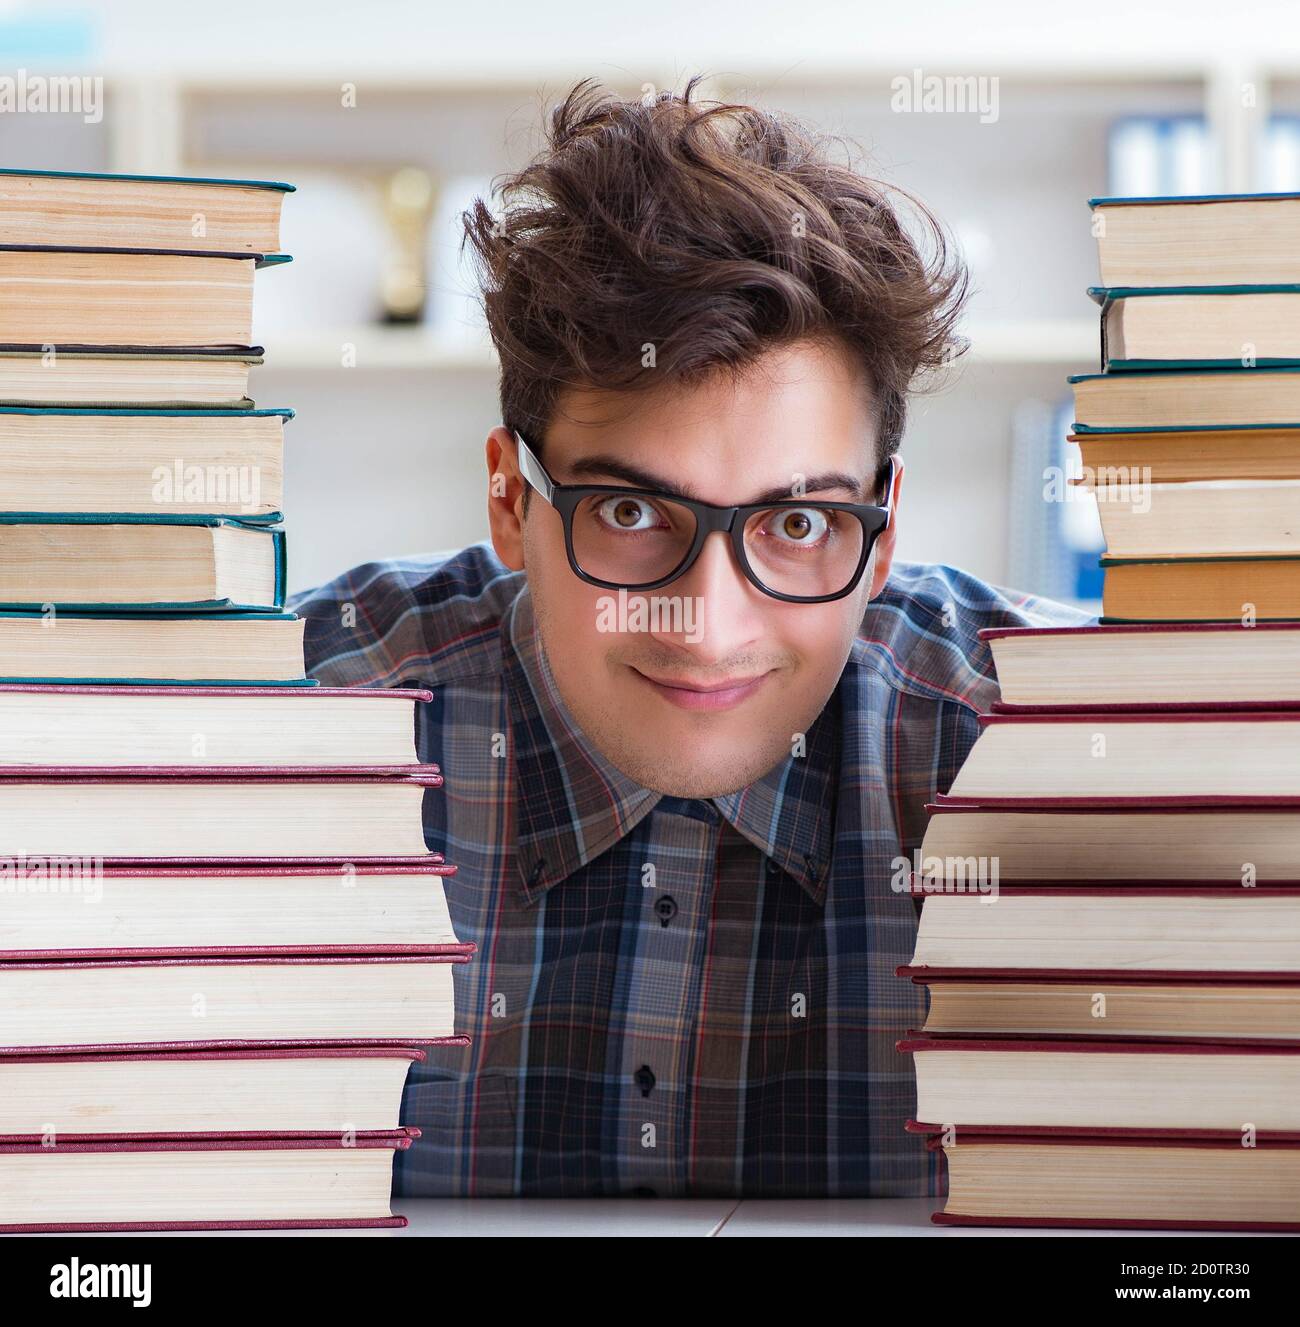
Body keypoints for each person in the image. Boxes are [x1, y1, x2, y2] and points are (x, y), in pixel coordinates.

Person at [291, 78, 1090, 1198]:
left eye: (801, 522)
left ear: (886, 525)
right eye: (628, 513)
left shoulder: (1063, 742)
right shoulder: (293, 731)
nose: (709, 626)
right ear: (510, 503)